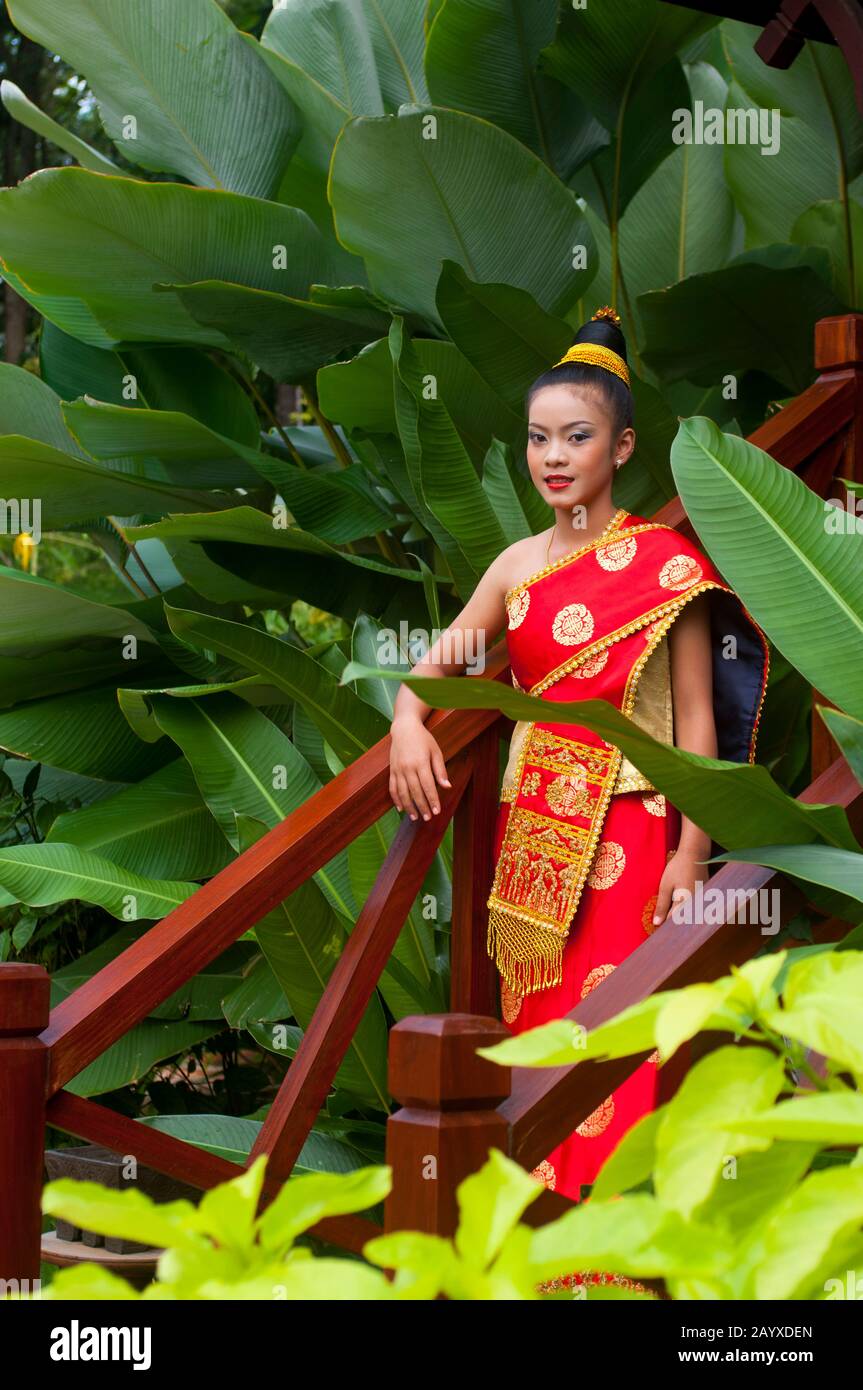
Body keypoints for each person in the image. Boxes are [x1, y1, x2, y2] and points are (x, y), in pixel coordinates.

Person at [387, 306, 769, 1213]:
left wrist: (690, 854)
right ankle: (542, 1249)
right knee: (543, 1038)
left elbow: (695, 736)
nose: (553, 456)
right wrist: (407, 722)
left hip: (635, 837)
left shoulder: (665, 565)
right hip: (533, 845)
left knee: (622, 1041)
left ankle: (620, 1255)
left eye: (576, 437)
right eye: (536, 439)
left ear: (621, 446)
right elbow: (430, 672)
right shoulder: (515, 566)